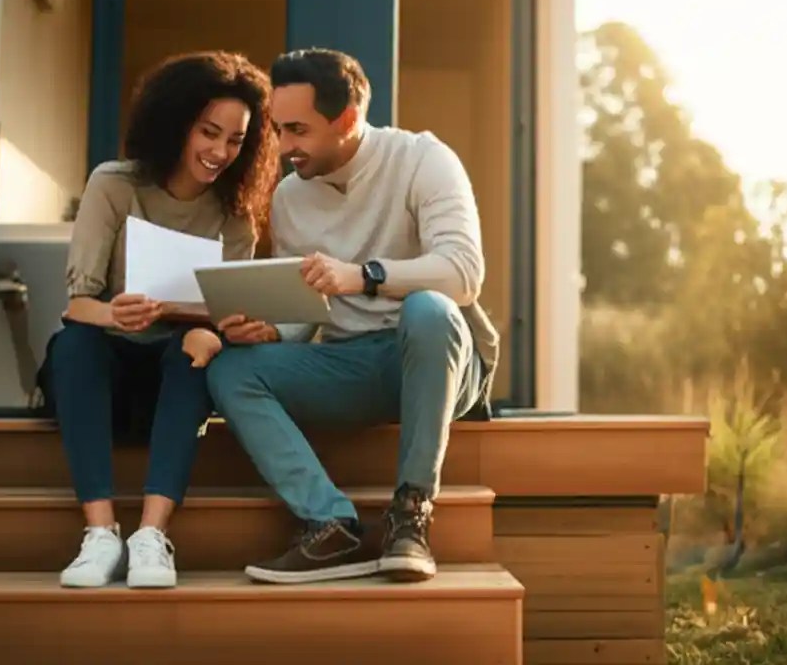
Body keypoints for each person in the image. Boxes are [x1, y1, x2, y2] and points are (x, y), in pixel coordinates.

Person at [205, 48, 500, 584]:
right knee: (231, 369)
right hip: (351, 364)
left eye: (297, 129)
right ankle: (329, 524)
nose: (283, 146)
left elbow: (462, 274)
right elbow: (308, 311)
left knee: (429, 309)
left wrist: (364, 275)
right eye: (277, 129)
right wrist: (273, 328)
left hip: (438, 361)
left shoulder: (423, 160)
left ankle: (411, 515)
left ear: (346, 119)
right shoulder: (291, 197)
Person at [44, 51, 278, 589]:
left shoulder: (236, 213)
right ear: (177, 122)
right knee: (75, 343)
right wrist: (115, 313)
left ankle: (151, 535)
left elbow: (223, 310)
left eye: (236, 140)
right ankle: (100, 534)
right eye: (208, 132)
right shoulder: (114, 184)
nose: (220, 151)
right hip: (106, 366)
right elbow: (76, 304)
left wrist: (219, 330)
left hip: (177, 374)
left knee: (194, 354)